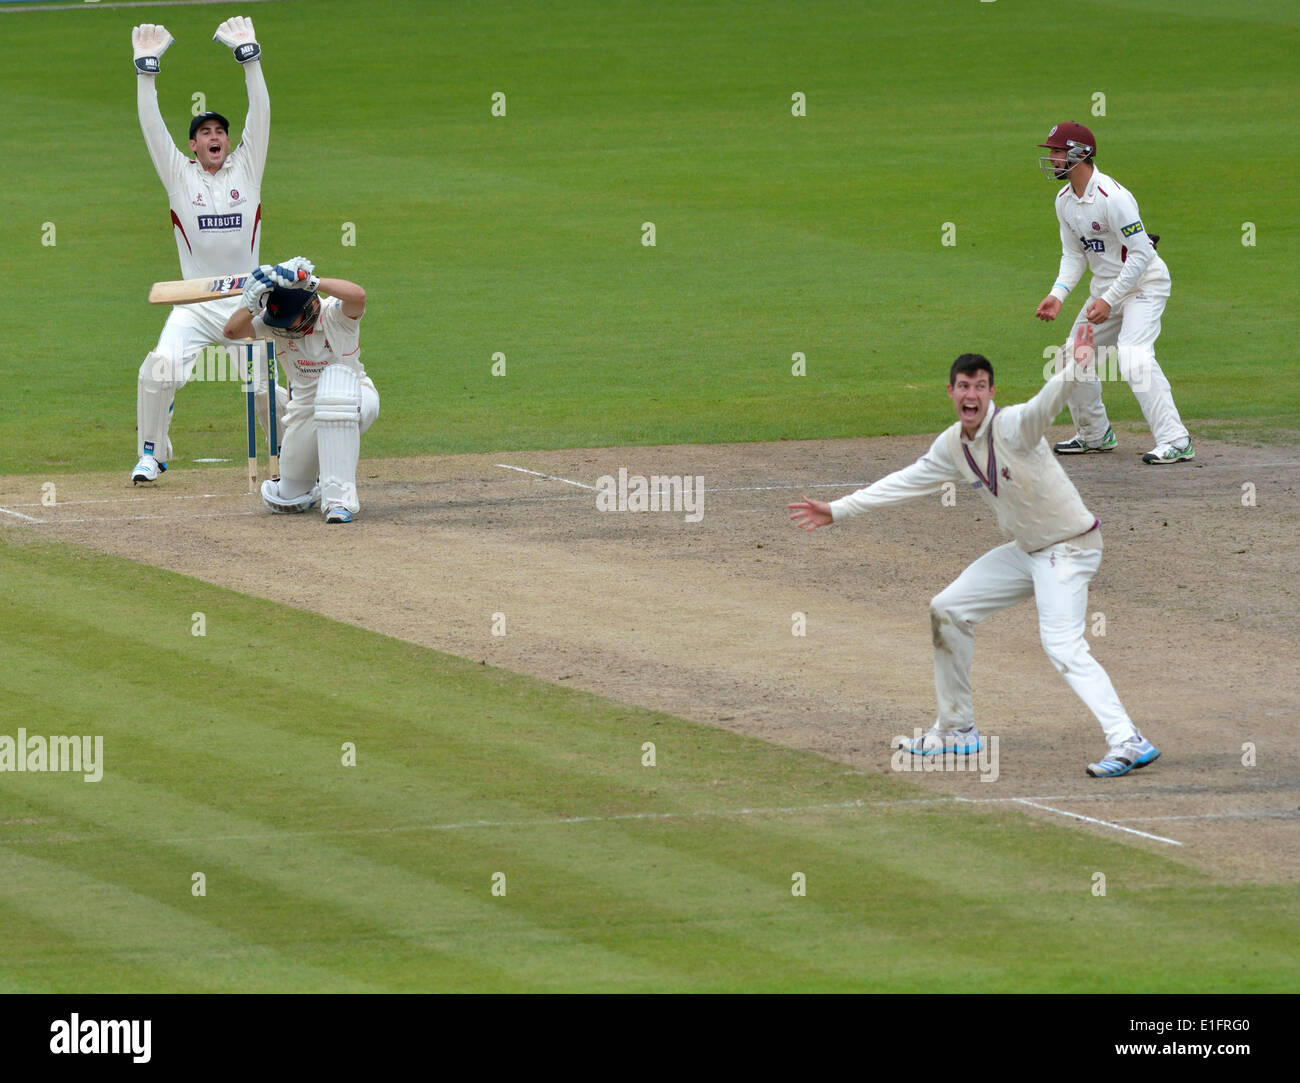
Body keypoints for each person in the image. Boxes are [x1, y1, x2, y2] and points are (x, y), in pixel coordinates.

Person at [788, 325, 1160, 778]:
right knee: (948, 609)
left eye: (980, 386)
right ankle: (958, 730)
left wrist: (1075, 365)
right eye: (964, 386)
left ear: (990, 392)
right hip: (1028, 551)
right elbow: (905, 482)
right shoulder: (951, 445)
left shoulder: (1014, 426)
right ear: (951, 392)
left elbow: (1047, 403)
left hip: (1070, 549)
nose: (971, 395)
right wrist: (838, 510)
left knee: (1062, 644)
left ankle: (1128, 739)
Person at [130, 18, 283, 483]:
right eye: (205, 132)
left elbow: (261, 111)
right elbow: (151, 126)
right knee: (157, 370)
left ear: (228, 142)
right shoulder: (178, 175)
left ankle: (290, 460)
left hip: (247, 303)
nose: (214, 136)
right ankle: (152, 454)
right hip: (195, 303)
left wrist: (251, 59)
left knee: (265, 393)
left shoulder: (247, 169)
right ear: (193, 144)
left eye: (220, 131)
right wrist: (145, 73)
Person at [1033, 122, 1193, 465]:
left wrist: (1109, 299)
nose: (1053, 158)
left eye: (1058, 152)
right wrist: (1057, 294)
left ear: (1080, 154)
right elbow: (1075, 254)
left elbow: (1142, 253)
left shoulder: (1113, 197)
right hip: (1108, 289)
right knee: (1072, 355)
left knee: (1134, 355)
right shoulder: (1064, 201)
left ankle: (1176, 439)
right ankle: (1095, 434)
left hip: (1143, 285)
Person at [223, 258, 377, 524]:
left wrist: (312, 281)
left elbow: (359, 296)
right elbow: (231, 331)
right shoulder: (274, 324)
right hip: (305, 410)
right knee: (290, 493)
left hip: (355, 395)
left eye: (291, 322)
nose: (287, 329)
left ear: (311, 306)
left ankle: (339, 501)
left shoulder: (335, 314)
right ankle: (313, 484)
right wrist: (250, 305)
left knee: (332, 395)